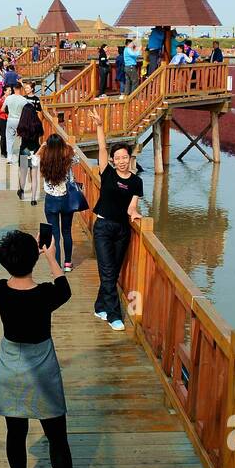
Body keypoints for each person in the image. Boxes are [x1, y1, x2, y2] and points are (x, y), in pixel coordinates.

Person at [0, 230, 85, 468]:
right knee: (57, 437)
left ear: (4, 261)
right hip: (41, 368)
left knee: (15, 433)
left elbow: (15, 276)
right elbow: (64, 287)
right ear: (34, 259)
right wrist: (51, 257)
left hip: (10, 366)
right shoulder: (45, 294)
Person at [91, 113, 143, 331]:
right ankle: (114, 315)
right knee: (108, 272)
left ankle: (99, 305)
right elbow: (102, 149)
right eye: (118, 158)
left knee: (113, 270)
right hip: (103, 227)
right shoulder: (108, 174)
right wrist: (101, 127)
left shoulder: (136, 182)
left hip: (122, 230)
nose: (121, 161)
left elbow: (132, 205)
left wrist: (135, 214)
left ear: (130, 158)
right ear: (113, 160)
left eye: (125, 157)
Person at [39, 133, 80, 272]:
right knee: (67, 232)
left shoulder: (44, 157)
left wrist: (42, 146)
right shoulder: (67, 157)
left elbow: (32, 160)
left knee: (55, 235)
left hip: (51, 200)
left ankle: (56, 266)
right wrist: (68, 147)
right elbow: (78, 158)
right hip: (66, 199)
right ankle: (67, 264)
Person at [15, 96, 44, 205]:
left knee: (23, 173)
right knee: (34, 176)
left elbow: (19, 135)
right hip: (36, 150)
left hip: (24, 150)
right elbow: (41, 134)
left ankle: (21, 190)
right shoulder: (38, 124)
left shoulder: (22, 124)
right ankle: (33, 199)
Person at [2, 81, 33, 167]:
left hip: (10, 119)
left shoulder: (8, 98)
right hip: (20, 120)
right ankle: (23, 157)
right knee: (22, 139)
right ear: (21, 89)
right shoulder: (24, 100)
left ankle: (9, 158)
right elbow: (29, 110)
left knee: (9, 139)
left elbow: (2, 109)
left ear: (13, 89)